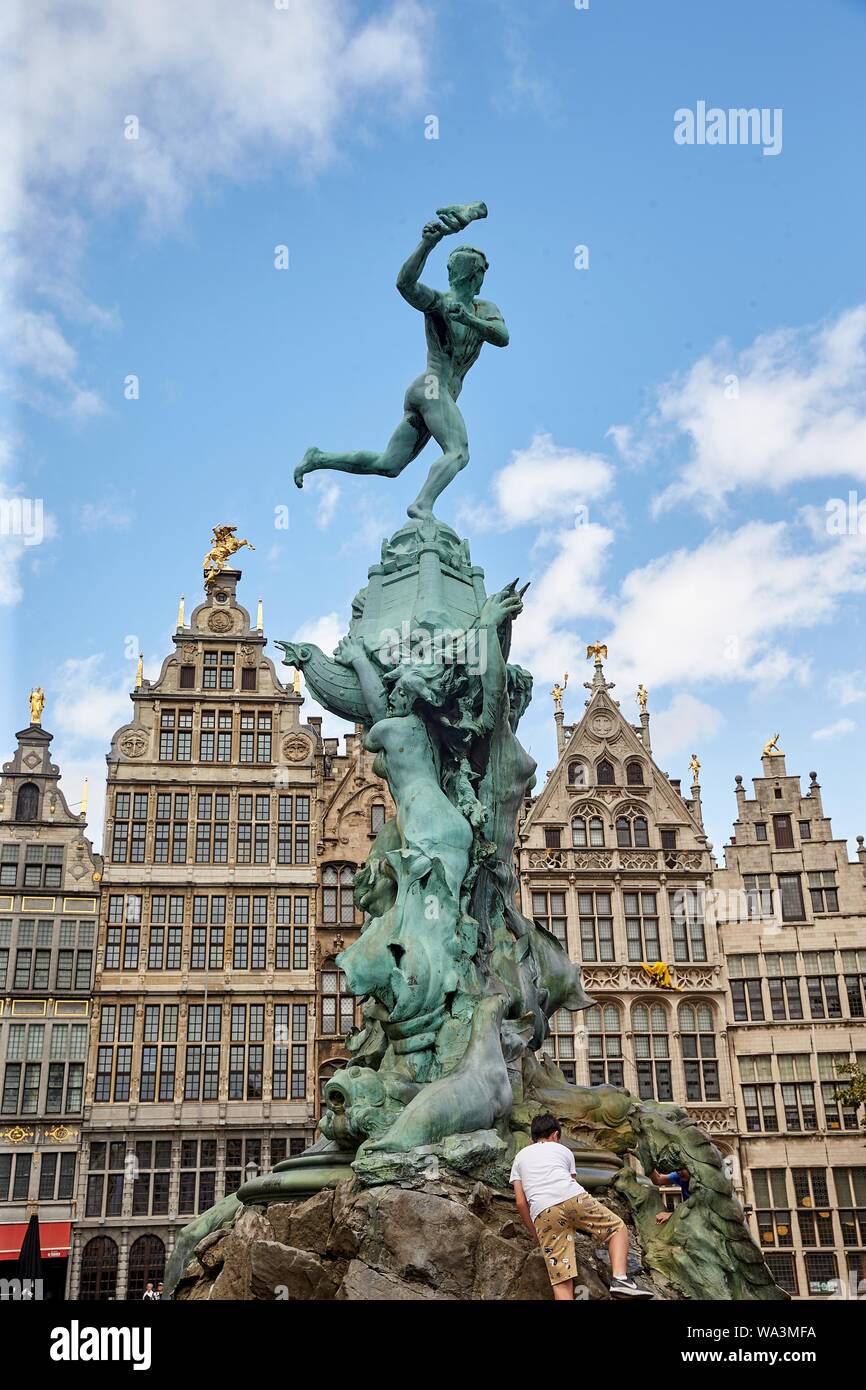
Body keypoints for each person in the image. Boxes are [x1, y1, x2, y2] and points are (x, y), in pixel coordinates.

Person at [294, 207, 509, 519]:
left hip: (433, 394)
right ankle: (422, 504)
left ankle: (317, 457)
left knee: (389, 464)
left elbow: (502, 336)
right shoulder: (440, 302)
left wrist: (470, 321)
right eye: (482, 274)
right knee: (458, 452)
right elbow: (404, 285)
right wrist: (427, 245)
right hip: (432, 387)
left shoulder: (483, 309)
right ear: (475, 275)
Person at [511, 1113, 653, 1300]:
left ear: (532, 1138)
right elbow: (570, 1183)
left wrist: (536, 1233)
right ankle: (620, 1279)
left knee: (561, 1281)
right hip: (571, 1197)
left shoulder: (520, 1157)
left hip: (543, 1212)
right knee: (617, 1228)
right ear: (555, 1135)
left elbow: (521, 1202)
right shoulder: (563, 1151)